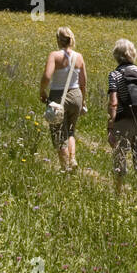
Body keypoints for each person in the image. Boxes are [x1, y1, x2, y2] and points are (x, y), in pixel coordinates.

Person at [107, 38, 137, 200]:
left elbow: (114, 103)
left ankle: (118, 196)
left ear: (117, 55)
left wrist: (111, 126)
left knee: (120, 159)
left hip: (123, 121)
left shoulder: (114, 74)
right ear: (132, 54)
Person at [38, 26, 86, 172]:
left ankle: (65, 168)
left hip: (58, 97)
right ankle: (73, 159)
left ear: (58, 40)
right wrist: (83, 100)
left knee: (59, 133)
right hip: (76, 95)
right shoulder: (79, 57)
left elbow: (47, 76)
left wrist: (42, 91)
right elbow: (83, 82)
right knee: (70, 131)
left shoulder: (54, 55)